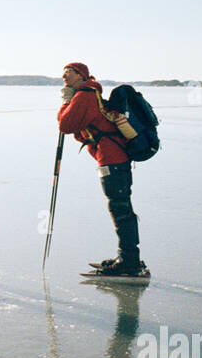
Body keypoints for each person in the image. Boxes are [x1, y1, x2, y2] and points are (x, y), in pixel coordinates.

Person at [56, 62, 148, 278]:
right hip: (114, 158)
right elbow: (78, 128)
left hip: (112, 159)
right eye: (63, 75)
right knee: (121, 207)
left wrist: (66, 101)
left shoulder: (85, 95)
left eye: (68, 73)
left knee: (120, 209)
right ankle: (127, 257)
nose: (64, 78)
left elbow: (65, 125)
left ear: (80, 75)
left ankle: (129, 262)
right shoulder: (90, 93)